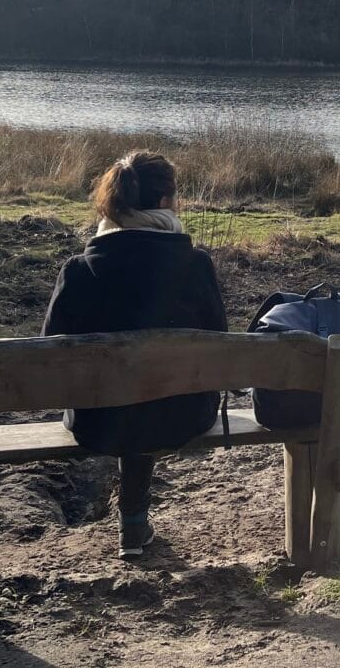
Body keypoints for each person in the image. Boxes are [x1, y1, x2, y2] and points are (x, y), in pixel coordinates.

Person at [42, 150, 226, 558]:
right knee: (152, 399)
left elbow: (50, 352)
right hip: (183, 417)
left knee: (128, 402)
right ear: (164, 202)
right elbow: (218, 344)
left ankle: (133, 521)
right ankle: (134, 521)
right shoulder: (194, 265)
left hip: (98, 421)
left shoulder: (79, 269)